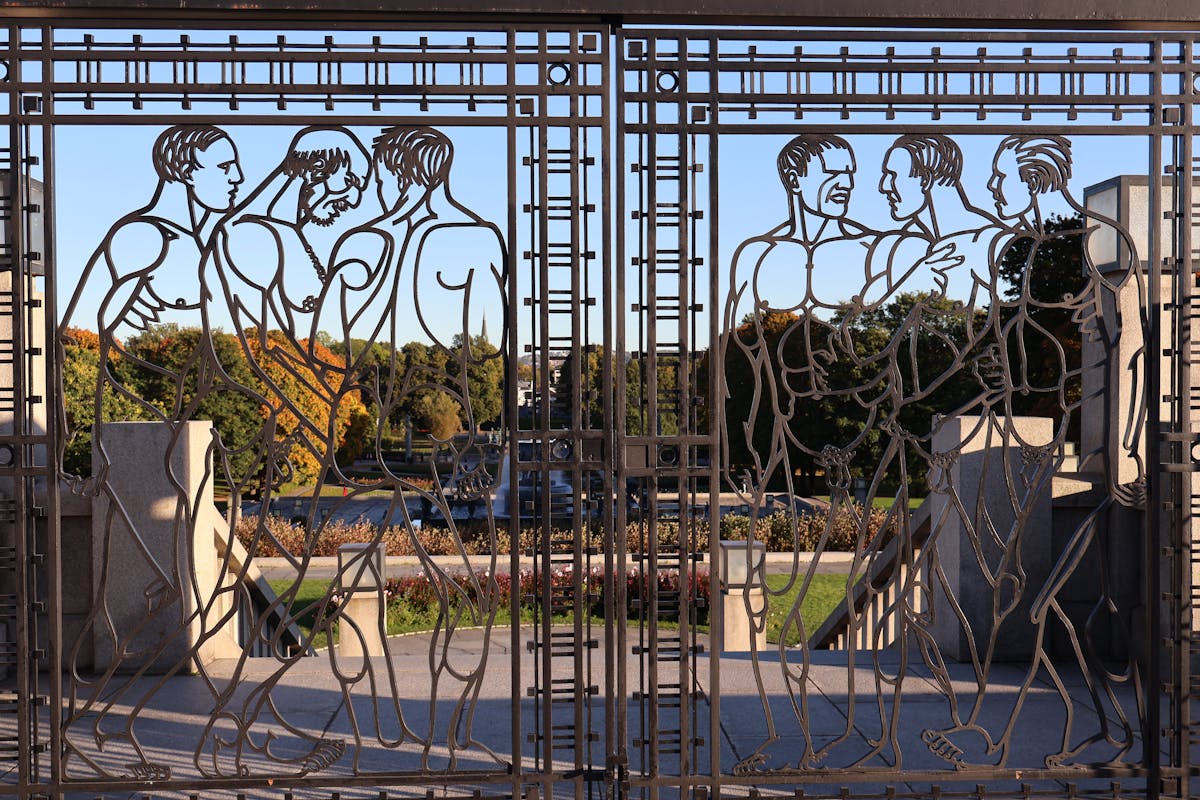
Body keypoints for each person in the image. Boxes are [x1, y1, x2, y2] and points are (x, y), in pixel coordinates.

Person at [920, 134, 1147, 768]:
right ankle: (1099, 733)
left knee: (1057, 607)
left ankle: (1101, 734)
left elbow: (1136, 356)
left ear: (1034, 176)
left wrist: (1130, 449)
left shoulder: (1110, 256)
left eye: (1002, 178)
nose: (993, 191)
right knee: (1047, 603)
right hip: (1091, 465)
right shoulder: (1046, 252)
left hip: (1117, 474)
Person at [58, 124, 244, 779]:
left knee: (172, 599)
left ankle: (132, 736)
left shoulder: (196, 243)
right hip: (131, 445)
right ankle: (112, 738)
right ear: (188, 168)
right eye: (226, 166)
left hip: (164, 442)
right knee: (144, 606)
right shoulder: (143, 236)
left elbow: (211, 356)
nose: (237, 179)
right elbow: (93, 341)